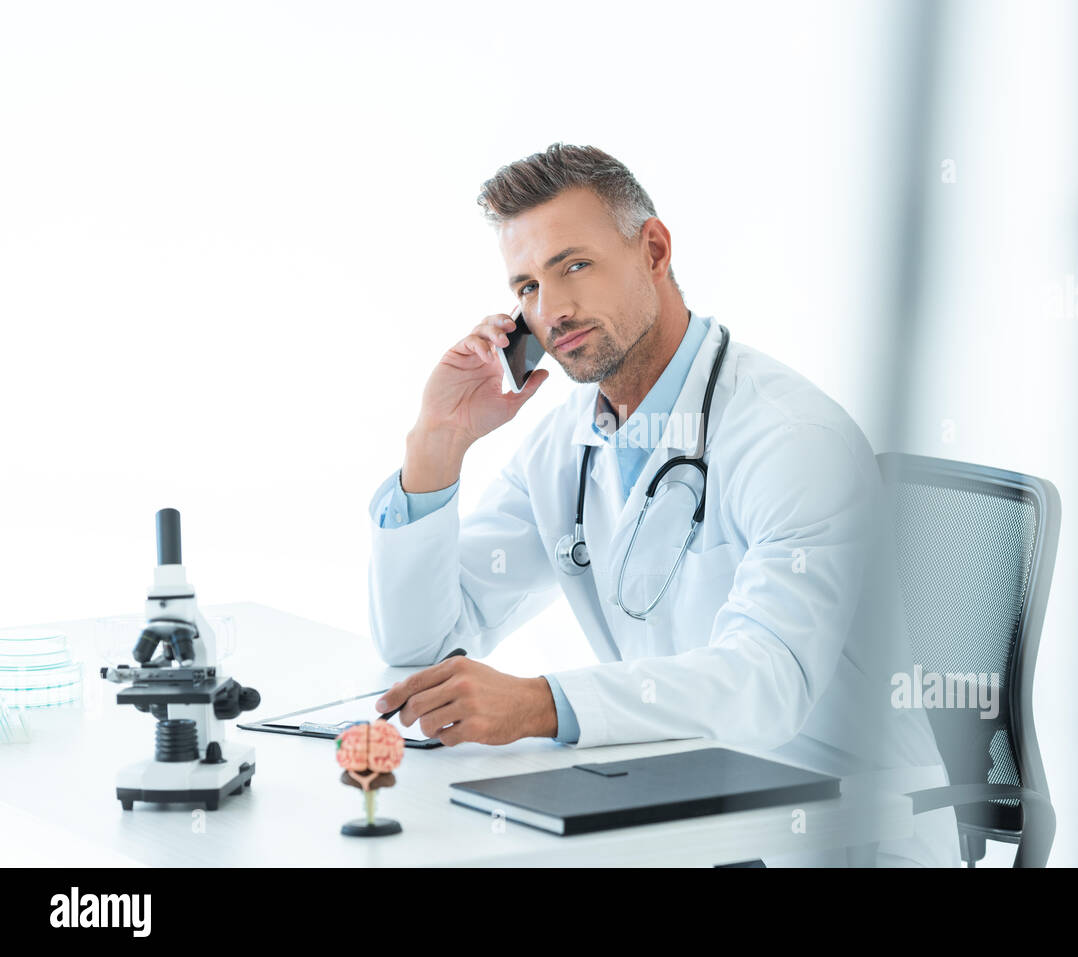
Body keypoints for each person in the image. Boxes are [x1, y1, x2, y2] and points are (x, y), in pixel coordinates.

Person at [366, 143, 959, 866]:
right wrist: (437, 443)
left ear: (652, 249)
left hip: (850, 836)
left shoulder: (791, 438)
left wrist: (540, 703)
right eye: (526, 286)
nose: (551, 310)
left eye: (573, 265)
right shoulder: (566, 445)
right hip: (692, 819)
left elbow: (764, 686)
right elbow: (421, 655)